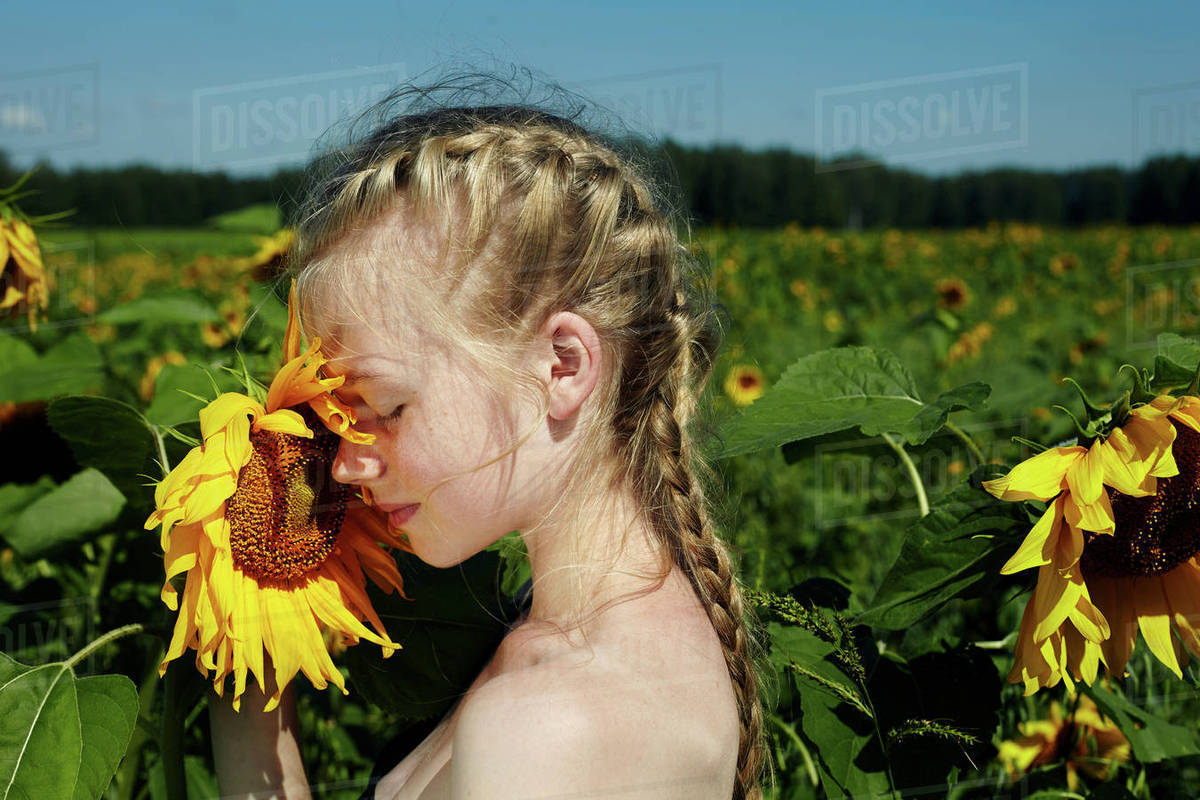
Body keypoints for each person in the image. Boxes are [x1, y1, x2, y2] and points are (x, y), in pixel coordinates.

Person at [209, 72, 771, 800]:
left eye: (385, 406)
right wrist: (244, 643)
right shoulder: (558, 630)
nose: (344, 464)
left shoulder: (545, 730)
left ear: (561, 366)